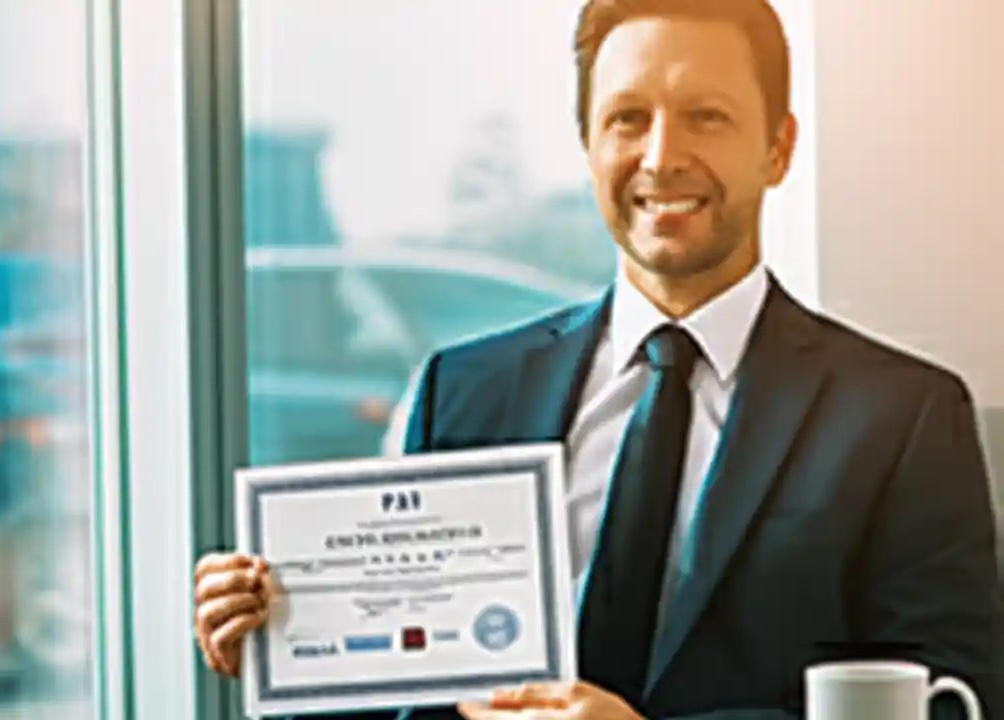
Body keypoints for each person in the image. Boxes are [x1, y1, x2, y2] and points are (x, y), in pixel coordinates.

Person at [194, 0, 1003, 717]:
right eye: (627, 118)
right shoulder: (465, 392)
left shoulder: (901, 417)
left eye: (707, 116)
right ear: (586, 147)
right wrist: (289, 633)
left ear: (778, 149)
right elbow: (409, 693)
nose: (660, 156)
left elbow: (952, 699)